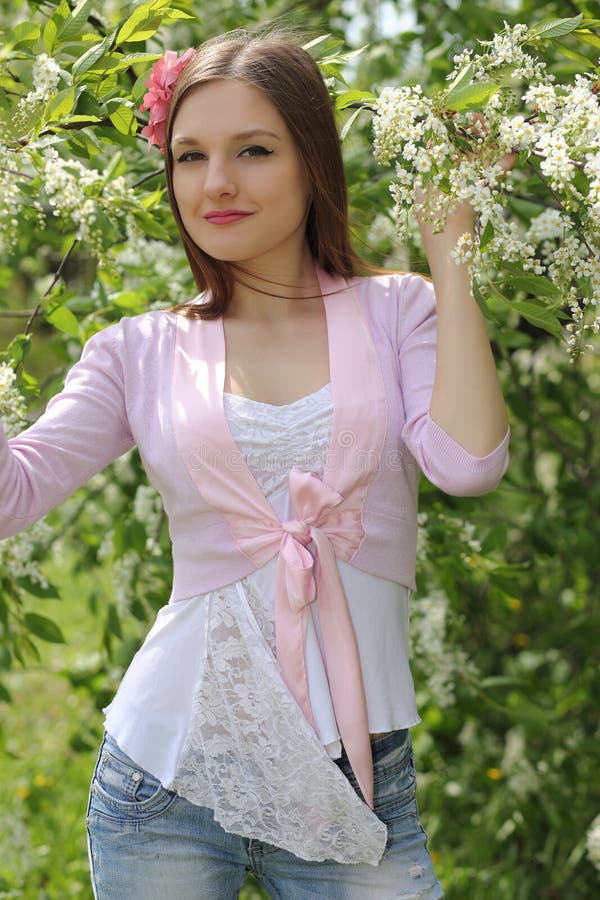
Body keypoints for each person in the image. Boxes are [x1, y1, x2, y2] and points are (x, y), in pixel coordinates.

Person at [0, 28, 510, 900]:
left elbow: (467, 465)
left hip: (355, 771)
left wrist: (449, 257)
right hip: (169, 782)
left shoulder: (399, 311)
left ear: (313, 161)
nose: (217, 183)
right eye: (190, 156)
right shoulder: (140, 349)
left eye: (254, 151)